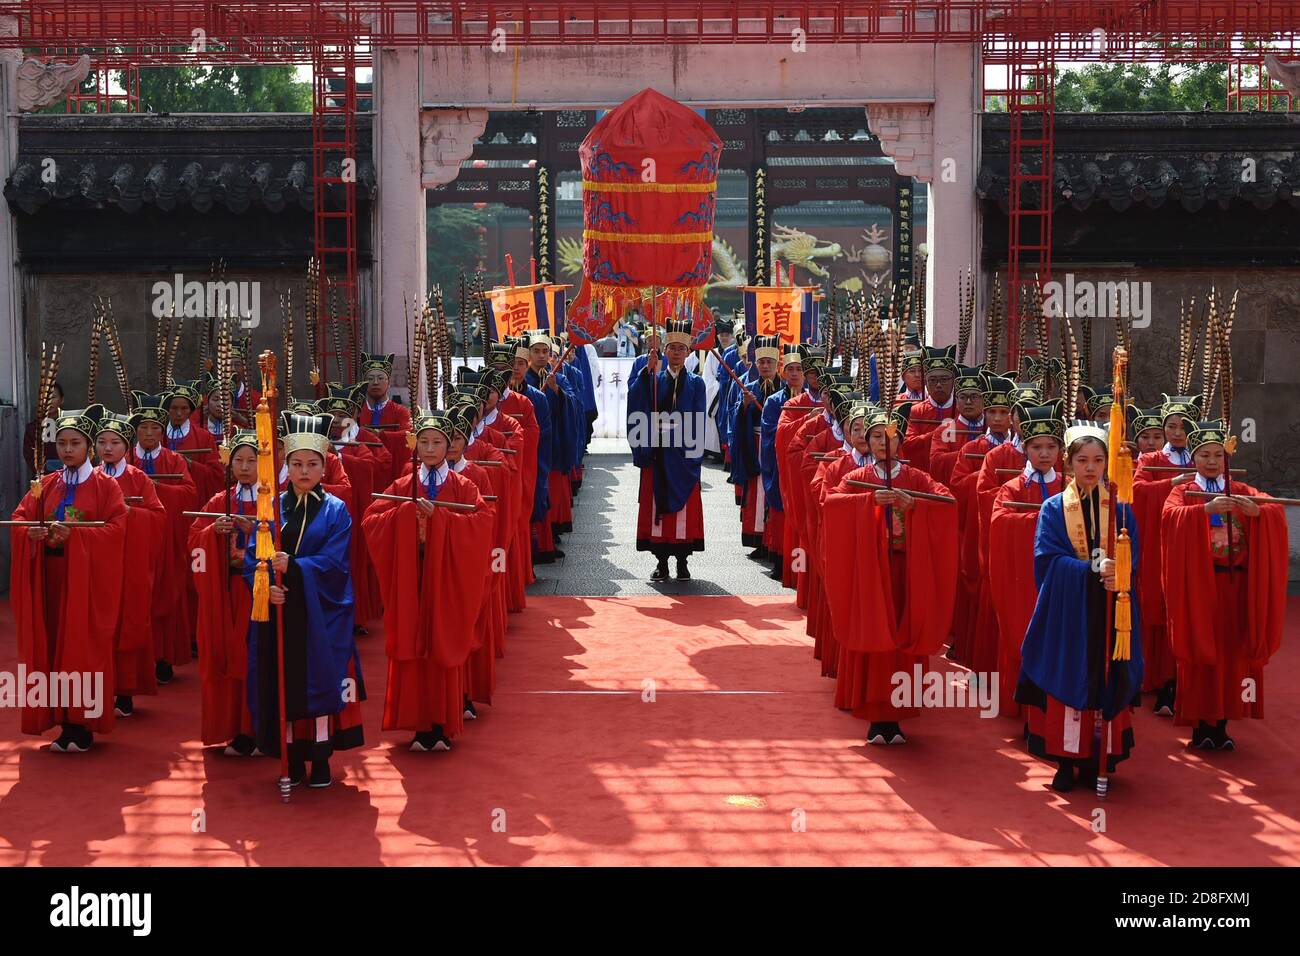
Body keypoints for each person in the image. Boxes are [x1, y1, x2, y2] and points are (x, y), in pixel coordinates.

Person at [1016, 423, 1143, 793]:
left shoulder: (1121, 508)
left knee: (1107, 675)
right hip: (1069, 610)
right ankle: (1064, 757)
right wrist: (1088, 569)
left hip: (1109, 605)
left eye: (1099, 460)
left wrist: (1118, 574)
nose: (1091, 468)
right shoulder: (1054, 508)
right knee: (1069, 675)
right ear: (1069, 464)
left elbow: (1133, 557)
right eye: (1083, 460)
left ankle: (1096, 758)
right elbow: (1047, 560)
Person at [821, 402, 957, 745]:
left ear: (901, 443)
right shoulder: (857, 478)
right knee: (875, 637)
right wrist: (867, 504)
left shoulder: (916, 478)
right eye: (876, 436)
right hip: (872, 570)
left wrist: (916, 507)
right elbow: (832, 505)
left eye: (890, 437)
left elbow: (947, 502)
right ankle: (874, 716)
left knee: (902, 638)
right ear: (866, 440)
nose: (883, 443)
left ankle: (897, 716)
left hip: (905, 570)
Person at [246, 411, 365, 789]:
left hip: (318, 610)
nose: (303, 471)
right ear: (285, 463)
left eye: (312, 464)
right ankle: (292, 757)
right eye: (296, 463)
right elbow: (253, 555)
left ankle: (320, 757)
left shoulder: (336, 510)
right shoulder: (270, 507)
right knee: (283, 681)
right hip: (280, 607)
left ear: (324, 465)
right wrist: (267, 585)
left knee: (318, 679)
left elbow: (335, 562)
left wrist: (294, 567)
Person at [364, 408, 492, 752]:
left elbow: (483, 523)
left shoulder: (464, 486)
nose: (431, 448)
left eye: (438, 442)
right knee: (413, 642)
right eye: (424, 442)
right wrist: (406, 516)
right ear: (415, 445)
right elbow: (370, 519)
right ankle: (419, 725)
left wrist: (443, 522)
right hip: (410, 574)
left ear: (449, 444)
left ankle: (442, 723)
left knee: (440, 640)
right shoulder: (404, 484)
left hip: (446, 576)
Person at [1160, 420, 1288, 751]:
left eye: (1219, 454)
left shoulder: (1243, 491)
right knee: (1203, 650)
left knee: (1232, 653)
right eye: (1205, 455)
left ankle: (1222, 724)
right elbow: (1169, 519)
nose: (1213, 461)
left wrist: (1259, 515)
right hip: (1202, 586)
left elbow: (1271, 507)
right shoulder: (1183, 492)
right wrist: (1203, 509)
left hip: (1236, 585)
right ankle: (1201, 724)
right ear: (1194, 458)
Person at [9, 404, 127, 752]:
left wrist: (76, 536)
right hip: (50, 579)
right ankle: (61, 721)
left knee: (82, 649)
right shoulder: (44, 485)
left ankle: (83, 724)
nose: (68, 450)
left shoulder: (106, 487)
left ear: (88, 447)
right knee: (52, 649)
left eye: (75, 443)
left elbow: (117, 530)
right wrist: (29, 533)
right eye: (62, 443)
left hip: (85, 584)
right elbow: (21, 519)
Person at [987, 402, 1067, 722]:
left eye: (1051, 447)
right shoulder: (1012, 488)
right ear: (1025, 448)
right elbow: (1000, 523)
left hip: (1061, 575)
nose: (1044, 453)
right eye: (1036, 446)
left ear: (1061, 450)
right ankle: (1024, 706)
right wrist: (1043, 519)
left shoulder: (1069, 486)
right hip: (1024, 573)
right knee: (1023, 630)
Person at [189, 430, 259, 755]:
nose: (244, 467)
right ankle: (232, 727)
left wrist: (258, 530)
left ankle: (257, 726)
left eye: (251, 460)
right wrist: (211, 533)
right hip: (226, 589)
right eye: (238, 460)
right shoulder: (220, 500)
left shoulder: (275, 498)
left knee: (254, 656)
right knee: (225, 655)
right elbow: (193, 538)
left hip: (257, 589)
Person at [1132, 394, 1202, 716]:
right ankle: (1157, 678)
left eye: (1184, 426)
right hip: (1156, 541)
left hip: (1191, 543)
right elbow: (1137, 491)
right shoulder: (1150, 460)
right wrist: (1172, 483)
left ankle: (1186, 682)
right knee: (1158, 604)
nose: (1177, 431)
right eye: (1171, 426)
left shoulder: (1202, 458)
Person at [96, 411, 167, 718]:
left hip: (128, 562)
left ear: (127, 447)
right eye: (101, 442)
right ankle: (98, 690)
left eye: (115, 442)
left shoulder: (138, 478)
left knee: (126, 622)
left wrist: (127, 512)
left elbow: (158, 517)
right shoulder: (91, 477)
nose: (107, 448)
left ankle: (124, 691)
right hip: (95, 564)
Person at [627, 317, 707, 580]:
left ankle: (682, 561)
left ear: (688, 352)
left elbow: (698, 418)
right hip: (658, 451)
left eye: (680, 348)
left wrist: (690, 453)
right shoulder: (652, 378)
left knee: (684, 507)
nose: (675, 352)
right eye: (671, 347)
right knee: (656, 507)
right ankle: (661, 562)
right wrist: (645, 374)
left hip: (682, 454)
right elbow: (637, 403)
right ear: (664, 349)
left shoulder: (696, 383)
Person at [129, 391, 199, 684]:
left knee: (166, 592)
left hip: (166, 537)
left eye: (155, 427)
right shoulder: (125, 457)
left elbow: (189, 493)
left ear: (163, 430)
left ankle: (163, 657)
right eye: (143, 427)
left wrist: (154, 489)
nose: (148, 432)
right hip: (131, 540)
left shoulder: (173, 459)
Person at [759, 343, 809, 582]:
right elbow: (771, 435)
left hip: (807, 466)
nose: (794, 373)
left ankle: (803, 565)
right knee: (781, 514)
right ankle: (780, 561)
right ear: (783, 372)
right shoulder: (774, 401)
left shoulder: (815, 400)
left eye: (799, 368)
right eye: (790, 368)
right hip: (780, 465)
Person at [729, 334, 782, 555]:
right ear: (756, 363)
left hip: (776, 446)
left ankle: (773, 541)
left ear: (778, 364)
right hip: (755, 446)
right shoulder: (747, 387)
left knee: (775, 492)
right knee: (756, 492)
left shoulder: (785, 388)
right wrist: (744, 407)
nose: (766, 365)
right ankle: (758, 540)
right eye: (762, 362)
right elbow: (733, 417)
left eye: (770, 362)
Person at [899, 345, 959, 474]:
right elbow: (907, 443)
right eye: (932, 380)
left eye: (944, 380)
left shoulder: (962, 410)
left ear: (953, 381)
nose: (938, 385)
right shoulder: (916, 411)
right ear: (925, 382)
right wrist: (938, 433)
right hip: (922, 476)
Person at [358, 352, 415, 485]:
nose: (375, 382)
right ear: (363, 383)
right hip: (364, 470)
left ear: (388, 382)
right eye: (370, 378)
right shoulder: (357, 411)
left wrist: (381, 435)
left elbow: (407, 435)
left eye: (380, 378)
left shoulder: (401, 411)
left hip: (391, 472)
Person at [22, 380, 63, 478]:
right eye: (45, 398)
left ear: (62, 400)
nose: (49, 401)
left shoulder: (70, 424)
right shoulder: (32, 428)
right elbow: (29, 455)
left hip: (69, 476)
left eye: (53, 397)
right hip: (43, 478)